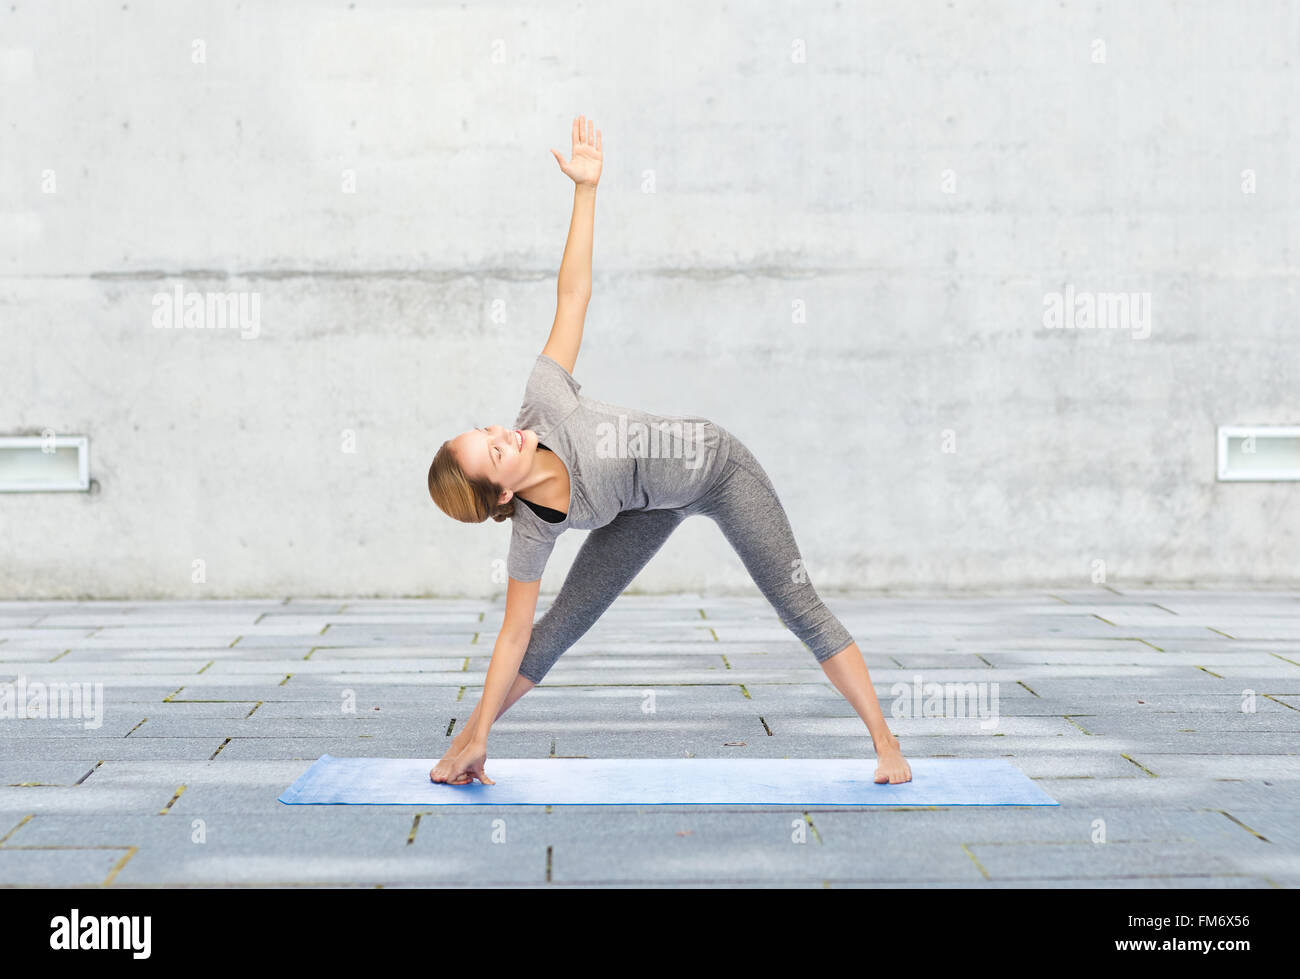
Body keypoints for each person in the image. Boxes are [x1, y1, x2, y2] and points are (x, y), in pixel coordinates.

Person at [426, 115, 911, 787]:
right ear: (503, 494)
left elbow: (574, 294)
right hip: (642, 509)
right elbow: (513, 637)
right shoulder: (533, 531)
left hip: (713, 467)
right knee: (553, 632)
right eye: (493, 454)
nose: (504, 434)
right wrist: (478, 732)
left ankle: (887, 744)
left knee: (797, 603)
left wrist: (586, 191)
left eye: (489, 431)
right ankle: (469, 743)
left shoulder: (545, 399)